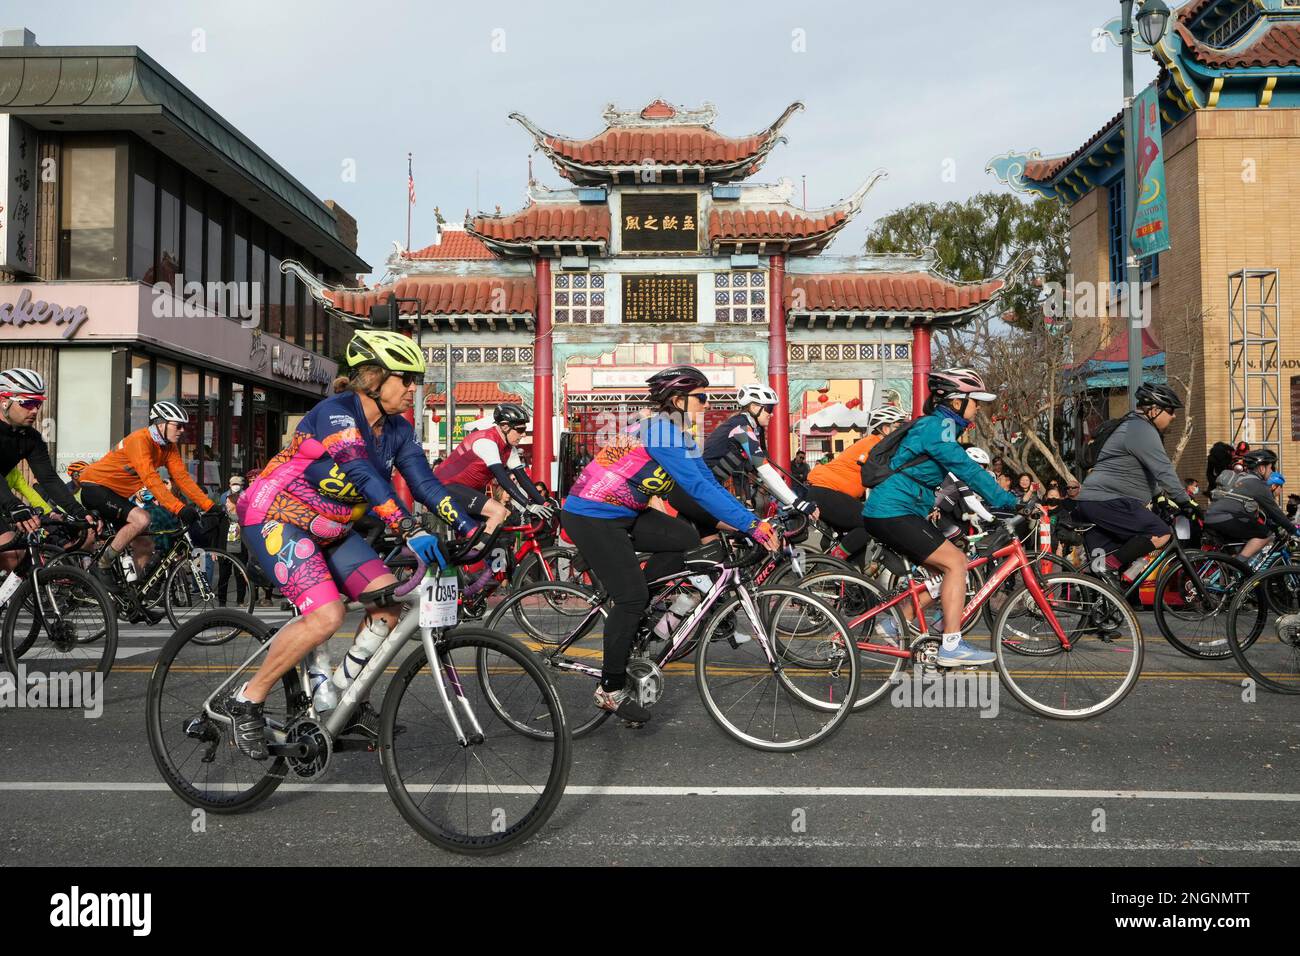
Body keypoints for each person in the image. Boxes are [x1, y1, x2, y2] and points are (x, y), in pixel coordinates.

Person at [223, 331, 480, 760]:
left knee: (388, 606)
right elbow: (362, 473)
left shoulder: (398, 430)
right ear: (373, 378)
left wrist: (472, 530)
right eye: (407, 378)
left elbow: (425, 484)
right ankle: (246, 699)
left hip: (332, 529)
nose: (414, 387)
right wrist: (405, 526)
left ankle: (339, 697)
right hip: (274, 517)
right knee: (327, 616)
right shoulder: (335, 413)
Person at [561, 366, 779, 724]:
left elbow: (699, 486)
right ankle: (610, 689)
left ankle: (638, 608)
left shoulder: (674, 432)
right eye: (701, 398)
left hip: (623, 513)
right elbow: (699, 490)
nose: (707, 405)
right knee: (630, 598)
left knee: (684, 537)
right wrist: (751, 525)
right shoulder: (661, 432)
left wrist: (740, 522)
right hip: (592, 515)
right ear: (678, 400)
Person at [861, 368, 1023, 665]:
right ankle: (951, 645)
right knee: (956, 563)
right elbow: (966, 468)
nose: (978, 409)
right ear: (956, 400)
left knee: (942, 575)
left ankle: (893, 624)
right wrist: (1010, 501)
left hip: (898, 510)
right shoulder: (939, 426)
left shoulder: (940, 426)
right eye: (975, 402)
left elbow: (962, 479)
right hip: (892, 510)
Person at [78, 400, 217, 594]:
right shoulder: (139, 440)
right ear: (161, 424)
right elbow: (151, 479)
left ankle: (133, 596)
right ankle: (103, 564)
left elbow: (182, 479)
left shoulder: (168, 447)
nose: (183, 430)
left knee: (145, 545)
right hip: (96, 487)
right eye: (178, 425)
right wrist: (179, 508)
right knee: (142, 519)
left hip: (117, 495)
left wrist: (210, 506)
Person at [1073, 382, 1196, 584]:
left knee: (1101, 576)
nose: (1174, 416)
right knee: (1160, 532)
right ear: (1155, 410)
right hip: (1109, 501)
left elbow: (1142, 471)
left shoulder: (1132, 426)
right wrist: (1185, 502)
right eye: (1171, 410)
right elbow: (1162, 469)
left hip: (1094, 501)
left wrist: (1159, 497)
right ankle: (1109, 566)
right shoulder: (1142, 429)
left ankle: (1099, 608)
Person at [668, 383, 816, 540]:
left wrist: (785, 499)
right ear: (754, 407)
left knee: (706, 548)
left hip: (702, 491)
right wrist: (797, 502)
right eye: (769, 409)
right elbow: (764, 469)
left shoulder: (751, 428)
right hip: (694, 491)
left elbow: (759, 468)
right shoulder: (741, 428)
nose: (771, 414)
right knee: (745, 530)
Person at [0, 369, 99, 572]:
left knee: (13, 555)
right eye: (27, 403)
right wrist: (14, 505)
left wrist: (79, 512)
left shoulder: (31, 438)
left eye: (38, 403)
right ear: (4, 400)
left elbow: (49, 479)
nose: (35, 410)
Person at [806, 403, 908, 561]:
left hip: (832, 492)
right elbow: (884, 477)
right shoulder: (874, 445)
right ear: (885, 429)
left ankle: (850, 579)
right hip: (826, 491)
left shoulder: (880, 446)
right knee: (871, 523)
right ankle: (834, 562)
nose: (903, 431)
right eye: (899, 426)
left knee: (858, 543)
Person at [434, 402, 553, 531]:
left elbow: (523, 478)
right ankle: (479, 549)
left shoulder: (508, 447)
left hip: (467, 490)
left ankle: (478, 549)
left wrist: (544, 503)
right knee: (499, 512)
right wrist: (528, 505)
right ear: (505, 426)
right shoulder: (487, 442)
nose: (523, 434)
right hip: (444, 488)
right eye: (520, 429)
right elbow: (503, 478)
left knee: (489, 529)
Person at [1204, 449, 1293, 560]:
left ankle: (1232, 571)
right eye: (1270, 468)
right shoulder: (1258, 485)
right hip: (1224, 519)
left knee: (1234, 555)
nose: (1271, 472)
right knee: (1265, 534)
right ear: (1261, 468)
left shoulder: (1244, 479)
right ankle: (1240, 564)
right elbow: (1275, 512)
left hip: (1212, 517)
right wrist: (1294, 530)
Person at [217, 474, 249, 606]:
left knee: (240, 575)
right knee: (223, 575)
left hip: (240, 548)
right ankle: (221, 602)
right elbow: (218, 534)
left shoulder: (243, 518)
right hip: (224, 549)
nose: (225, 504)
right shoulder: (223, 517)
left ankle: (240, 600)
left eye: (228, 503)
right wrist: (216, 551)